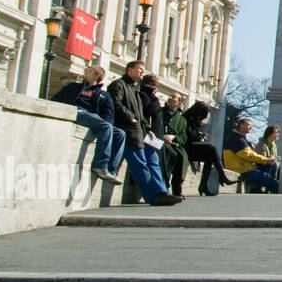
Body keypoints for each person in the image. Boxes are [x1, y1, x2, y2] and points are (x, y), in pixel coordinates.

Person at [108, 61, 181, 205]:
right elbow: (116, 104)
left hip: (140, 132)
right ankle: (152, 196)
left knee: (152, 159)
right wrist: (131, 117)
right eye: (140, 69)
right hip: (128, 130)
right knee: (140, 164)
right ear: (129, 70)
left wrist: (148, 129)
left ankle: (162, 192)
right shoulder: (118, 85)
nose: (142, 72)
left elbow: (141, 115)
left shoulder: (135, 89)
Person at [52, 65, 124, 185]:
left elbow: (108, 115)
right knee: (105, 126)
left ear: (97, 76)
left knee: (120, 133)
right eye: (86, 71)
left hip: (93, 117)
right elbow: (55, 100)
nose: (86, 73)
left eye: (89, 71)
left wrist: (108, 128)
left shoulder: (104, 95)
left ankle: (111, 170)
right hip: (77, 112)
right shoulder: (73, 87)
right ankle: (100, 165)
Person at [171, 101, 235, 195]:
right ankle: (221, 177)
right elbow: (189, 137)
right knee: (211, 149)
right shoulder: (186, 118)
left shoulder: (195, 120)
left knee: (210, 155)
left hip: (192, 147)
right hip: (186, 148)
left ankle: (204, 185)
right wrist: (198, 133)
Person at [141, 73, 187, 197]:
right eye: (170, 99)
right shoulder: (149, 99)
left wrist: (173, 137)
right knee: (163, 157)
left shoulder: (181, 119)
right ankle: (163, 188)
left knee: (181, 157)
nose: (171, 101)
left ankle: (174, 186)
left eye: (174, 100)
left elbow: (183, 137)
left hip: (169, 141)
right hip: (155, 137)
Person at [223, 117, 280, 193]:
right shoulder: (236, 139)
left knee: (271, 166)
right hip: (241, 169)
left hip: (247, 167)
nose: (251, 127)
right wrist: (266, 160)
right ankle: (278, 188)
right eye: (249, 125)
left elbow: (251, 154)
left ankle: (257, 187)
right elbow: (249, 155)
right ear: (241, 125)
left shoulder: (241, 138)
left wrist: (267, 161)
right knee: (275, 184)